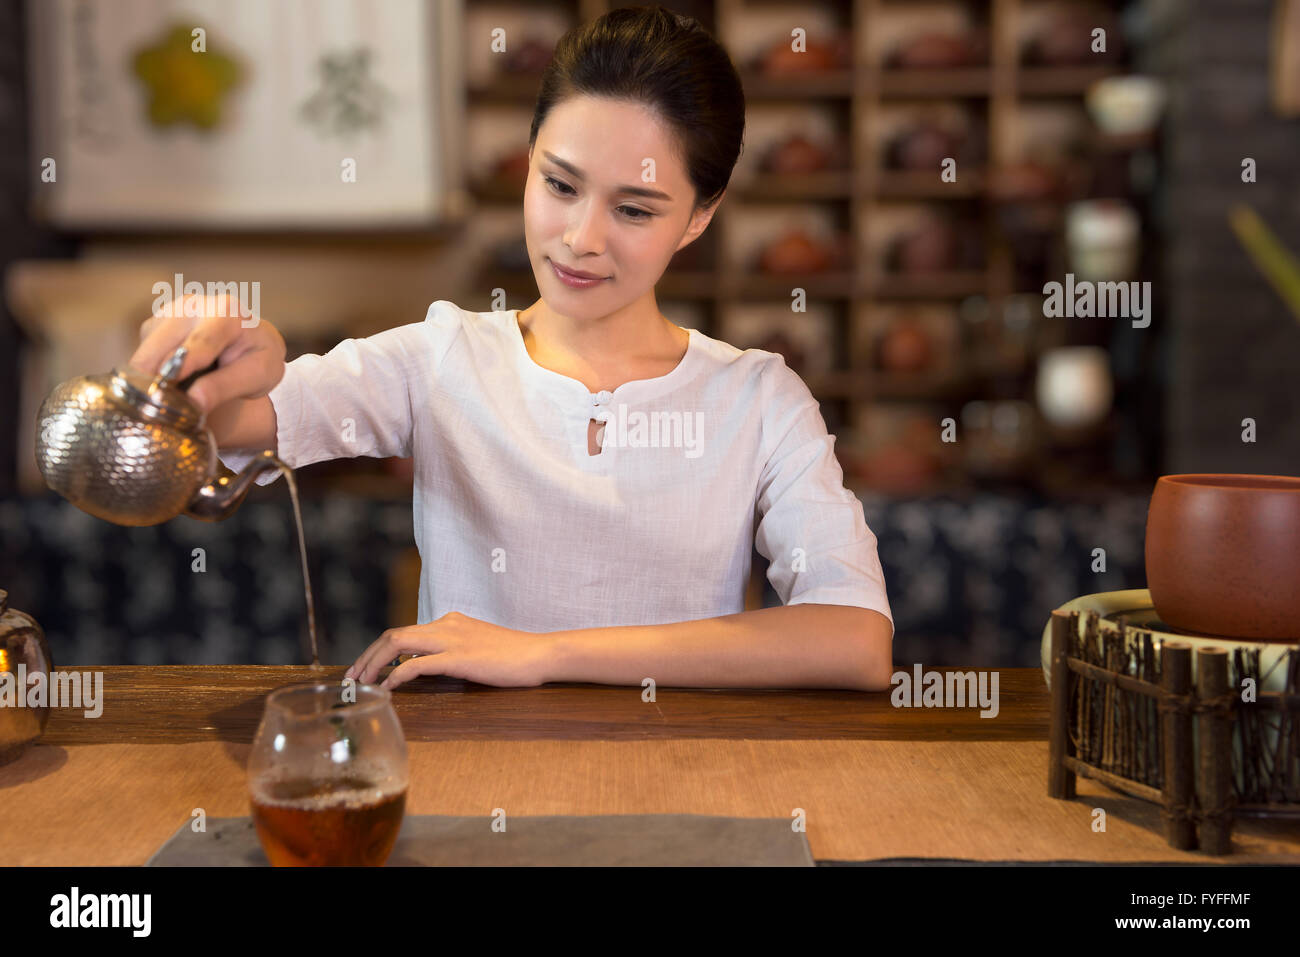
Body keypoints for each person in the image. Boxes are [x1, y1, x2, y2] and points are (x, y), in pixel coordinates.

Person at [130, 5, 893, 691]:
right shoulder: (441, 359)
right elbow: (204, 428)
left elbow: (855, 638)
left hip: (687, 789)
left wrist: (546, 653)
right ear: (528, 159)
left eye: (633, 208)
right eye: (559, 185)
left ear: (699, 215)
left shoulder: (758, 397)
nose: (580, 239)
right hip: (471, 796)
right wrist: (226, 359)